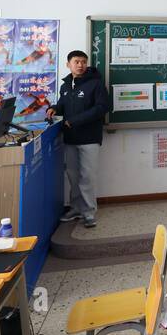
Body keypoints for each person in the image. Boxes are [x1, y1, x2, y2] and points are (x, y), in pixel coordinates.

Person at [46, 50, 110, 229]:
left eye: (83, 62)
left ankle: (89, 213)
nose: (80, 65)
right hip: (70, 138)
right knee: (73, 176)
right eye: (76, 62)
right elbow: (63, 104)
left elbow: (102, 108)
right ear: (69, 64)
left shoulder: (96, 84)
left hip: (89, 138)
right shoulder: (66, 85)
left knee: (87, 177)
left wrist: (74, 121)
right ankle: (75, 208)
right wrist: (54, 108)